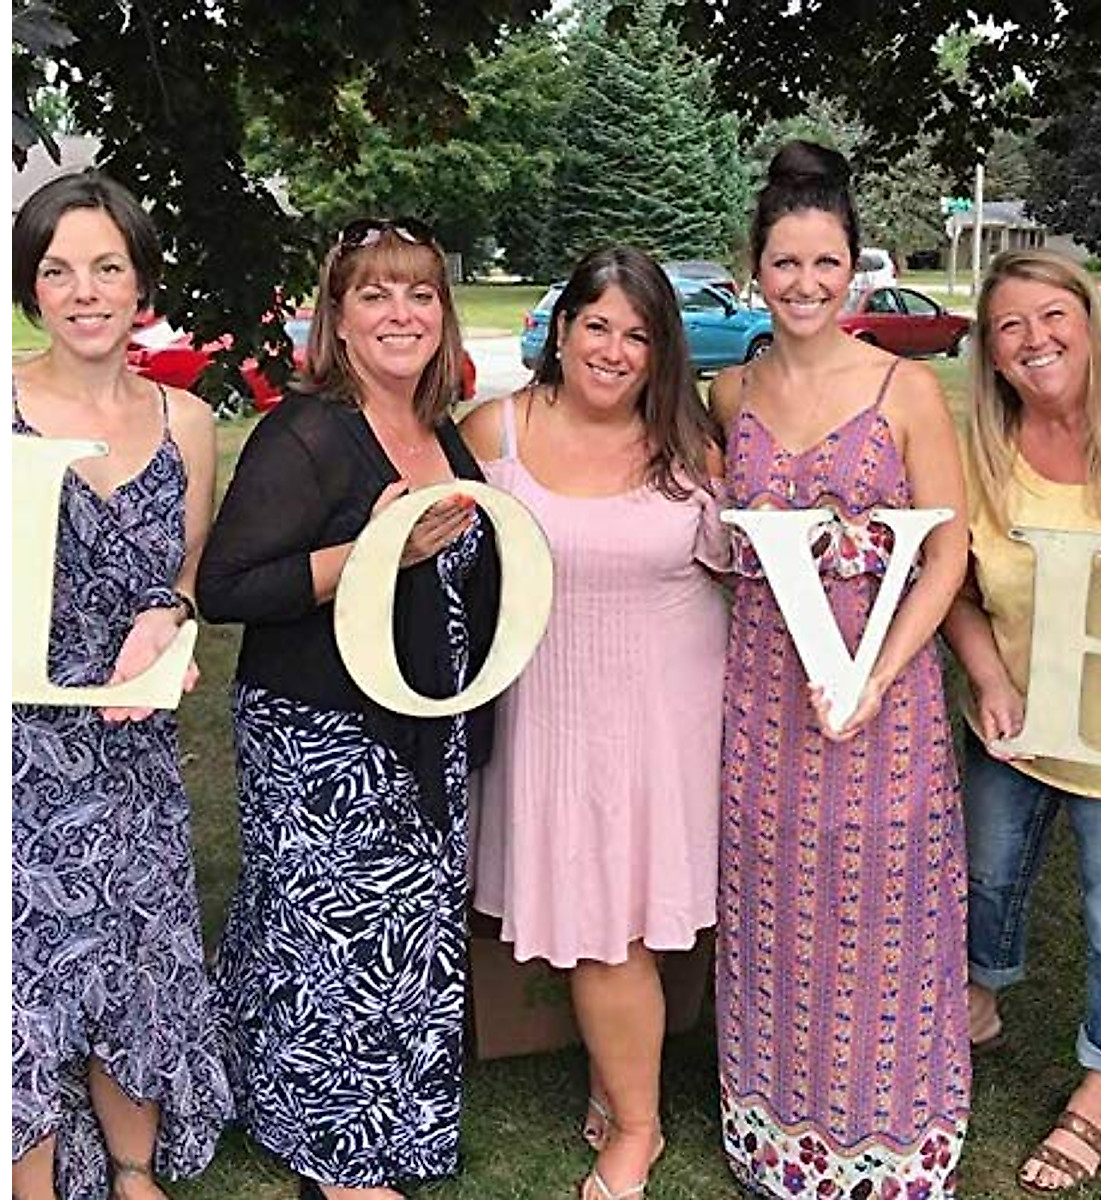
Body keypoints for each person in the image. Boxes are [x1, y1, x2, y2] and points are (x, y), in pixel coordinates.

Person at [195, 218, 500, 1200]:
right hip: (320, 729)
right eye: (375, 294)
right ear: (337, 316)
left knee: (404, 935)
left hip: (423, 719)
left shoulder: (440, 431)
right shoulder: (309, 433)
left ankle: (384, 1117)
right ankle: (340, 1159)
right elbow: (228, 585)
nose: (400, 313)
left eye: (420, 293)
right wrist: (375, 553)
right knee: (338, 939)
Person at [710, 140, 971, 1198]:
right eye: (786, 262)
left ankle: (890, 1145)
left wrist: (876, 677)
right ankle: (777, 1137)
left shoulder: (906, 390)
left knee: (886, 916)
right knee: (774, 915)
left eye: (827, 263)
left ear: (854, 267)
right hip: (764, 694)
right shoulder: (730, 394)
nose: (806, 283)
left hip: (886, 700)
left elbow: (947, 555)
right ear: (756, 269)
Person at [460, 245, 730, 1200]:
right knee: (595, 925)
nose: (614, 351)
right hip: (552, 716)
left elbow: (746, 567)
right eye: (598, 326)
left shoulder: (689, 445)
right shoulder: (495, 431)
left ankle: (636, 1125)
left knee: (622, 930)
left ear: (663, 351)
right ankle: (626, 1095)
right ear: (562, 329)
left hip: (668, 719)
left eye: (639, 335)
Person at [941, 248, 1101, 1195]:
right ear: (992, 354)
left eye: (1053, 317)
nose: (1034, 340)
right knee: (984, 879)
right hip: (1015, 729)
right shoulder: (981, 453)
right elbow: (956, 590)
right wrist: (987, 678)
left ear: (1090, 322)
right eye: (1010, 327)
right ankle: (980, 1002)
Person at [11, 171, 230, 1199]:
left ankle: (135, 1168)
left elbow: (184, 579)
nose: (84, 292)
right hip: (18, 746)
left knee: (134, 955)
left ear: (141, 281)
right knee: (25, 968)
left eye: (107, 267)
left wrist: (169, 619)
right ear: (32, 287)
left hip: (130, 738)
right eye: (58, 271)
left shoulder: (188, 421)